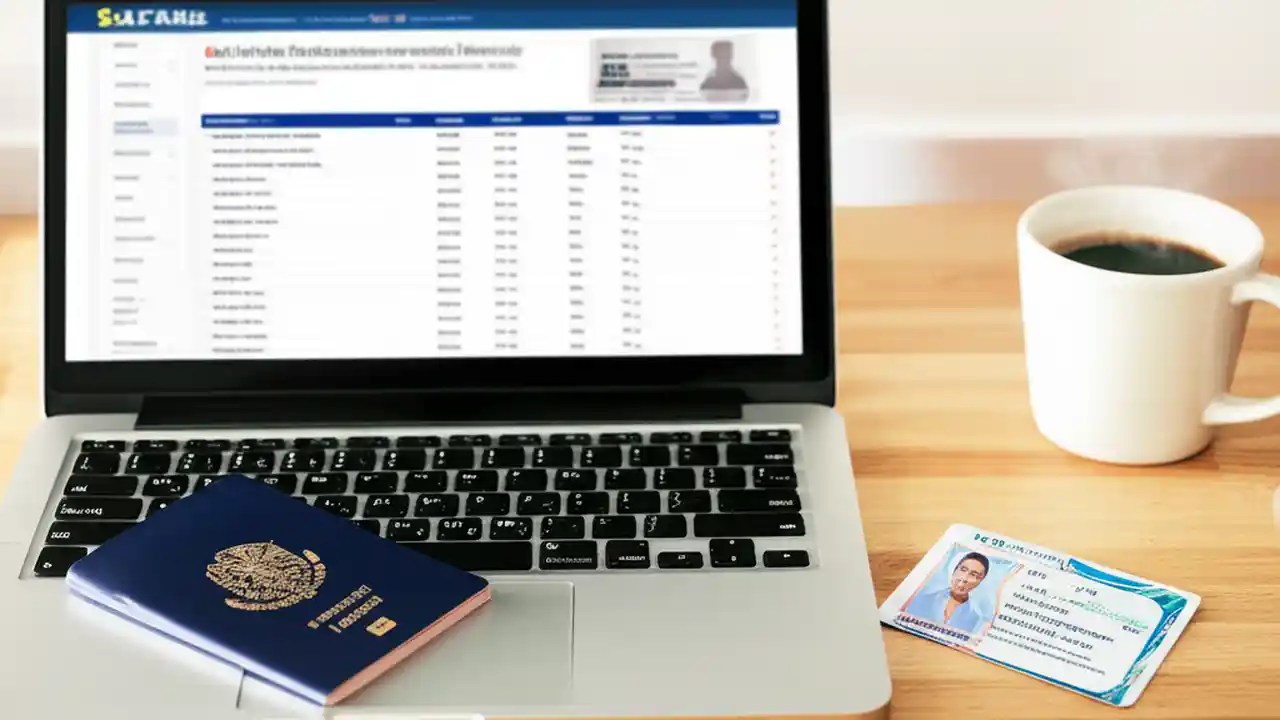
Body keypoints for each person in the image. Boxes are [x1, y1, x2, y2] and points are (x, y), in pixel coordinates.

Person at [904, 551, 992, 634]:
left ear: (980, 581)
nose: (964, 578)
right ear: (954, 570)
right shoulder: (924, 599)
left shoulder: (975, 617)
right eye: (963, 569)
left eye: (973, 575)